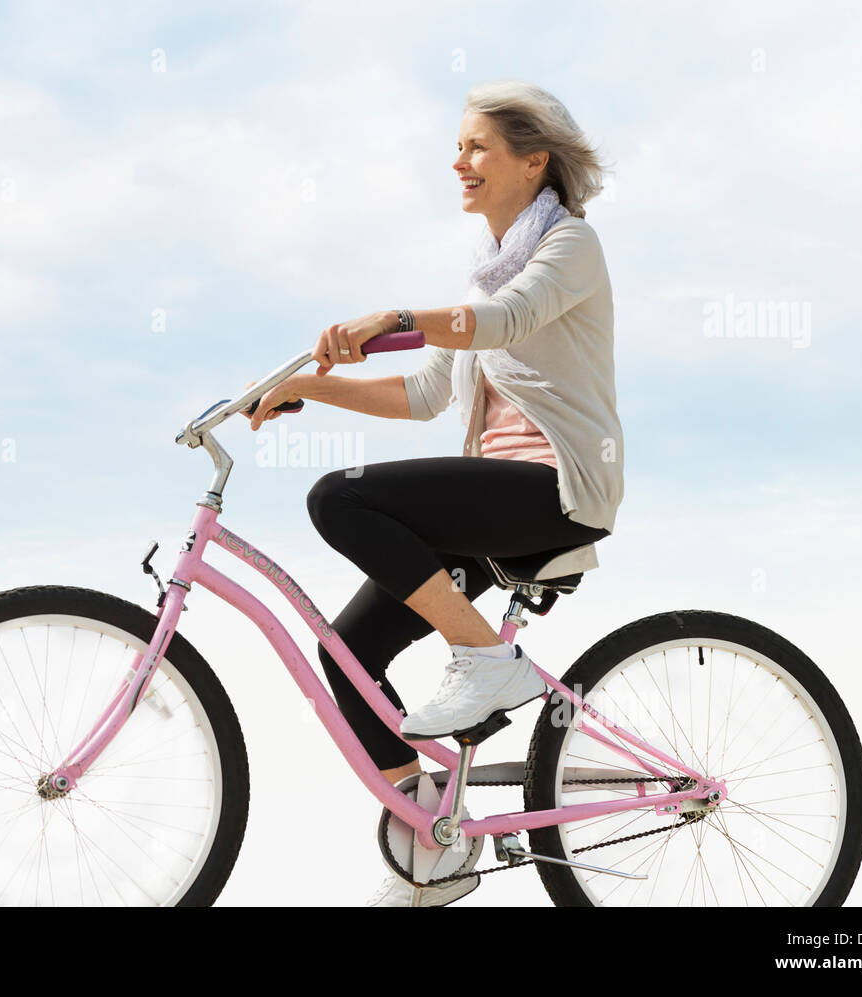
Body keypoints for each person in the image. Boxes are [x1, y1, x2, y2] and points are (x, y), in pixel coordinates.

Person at [246, 80, 624, 906]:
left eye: (477, 147)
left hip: (553, 489)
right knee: (345, 652)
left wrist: (395, 315)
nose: (459, 162)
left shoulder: (569, 248)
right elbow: (425, 395)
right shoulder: (486, 276)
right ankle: (433, 846)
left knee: (337, 500)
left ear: (536, 162)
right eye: (459, 147)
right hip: (491, 510)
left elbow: (508, 322)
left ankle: (488, 658)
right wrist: (306, 385)